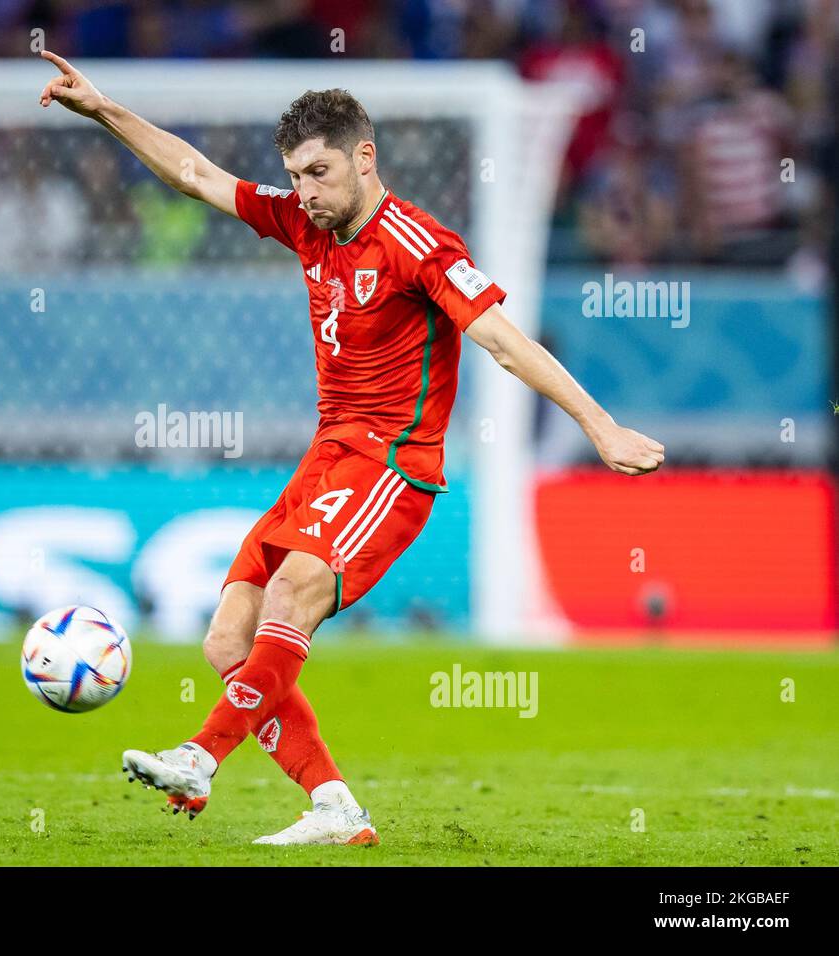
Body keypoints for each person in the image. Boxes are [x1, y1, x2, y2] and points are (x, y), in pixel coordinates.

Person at [38, 50, 665, 846]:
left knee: (295, 591)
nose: (305, 192)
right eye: (296, 175)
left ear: (365, 158)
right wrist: (103, 109)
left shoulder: (421, 245)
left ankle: (199, 756)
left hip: (392, 466)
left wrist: (599, 425)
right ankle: (335, 807)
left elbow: (505, 344)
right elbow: (196, 175)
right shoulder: (305, 222)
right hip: (325, 458)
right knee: (228, 637)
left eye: (319, 172)